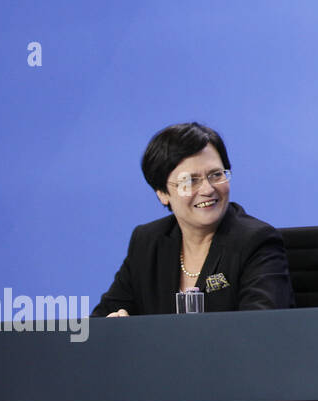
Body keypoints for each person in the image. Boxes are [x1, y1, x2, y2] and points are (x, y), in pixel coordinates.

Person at [94, 123, 293, 316]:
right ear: (162, 193)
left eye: (216, 175)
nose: (207, 189)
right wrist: (114, 326)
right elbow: (101, 322)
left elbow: (262, 327)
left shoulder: (255, 241)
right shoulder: (148, 242)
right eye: (190, 181)